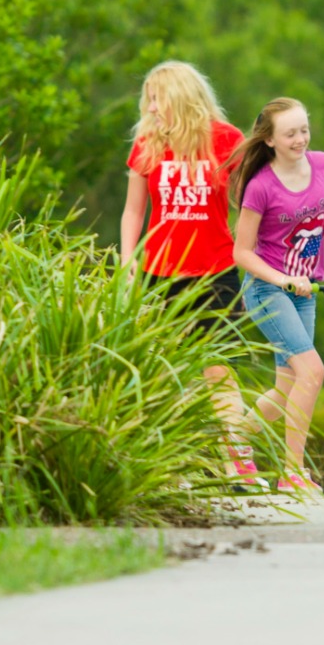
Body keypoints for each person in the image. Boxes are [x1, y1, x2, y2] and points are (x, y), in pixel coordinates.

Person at [228, 97, 324, 495]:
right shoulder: (261, 187)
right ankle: (291, 472)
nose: (301, 139)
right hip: (267, 289)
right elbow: (241, 252)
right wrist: (281, 279)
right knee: (312, 372)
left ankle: (233, 440)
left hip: (306, 290)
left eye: (304, 129)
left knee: (286, 387)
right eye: (290, 133)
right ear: (269, 141)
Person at [118, 60, 259, 484]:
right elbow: (132, 212)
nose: (152, 107)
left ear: (181, 94)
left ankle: (238, 463)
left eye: (157, 97)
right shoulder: (147, 144)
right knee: (164, 371)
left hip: (216, 271)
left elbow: (251, 201)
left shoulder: (226, 140)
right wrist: (127, 265)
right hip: (160, 274)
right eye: (149, 99)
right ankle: (169, 469)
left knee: (218, 369)